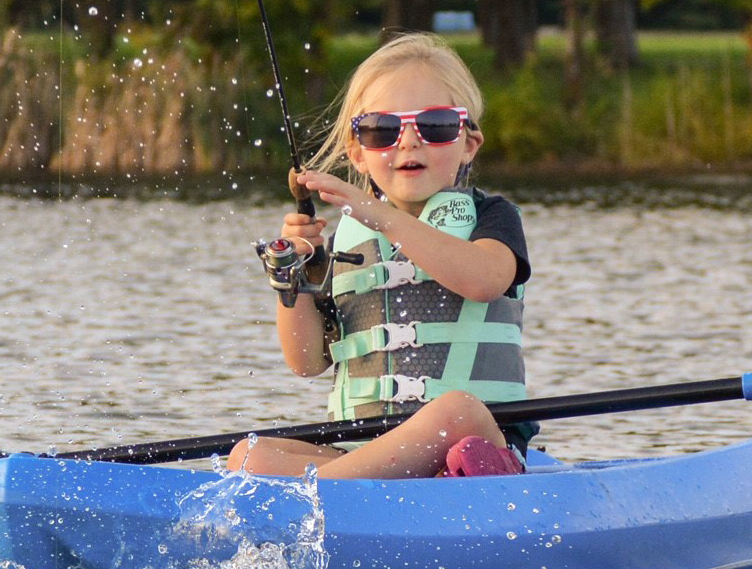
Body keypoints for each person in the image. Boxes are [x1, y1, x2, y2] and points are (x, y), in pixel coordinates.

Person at [227, 35, 532, 480]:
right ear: (359, 154)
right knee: (248, 456)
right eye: (383, 130)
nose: (408, 142)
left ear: (468, 144)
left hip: (471, 443)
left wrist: (380, 215)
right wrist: (289, 276)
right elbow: (307, 360)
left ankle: (316, 498)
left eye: (437, 125)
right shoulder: (342, 249)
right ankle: (340, 490)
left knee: (458, 413)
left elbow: (484, 279)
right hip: (363, 449)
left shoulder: (493, 216)